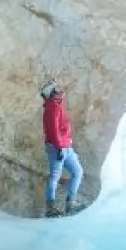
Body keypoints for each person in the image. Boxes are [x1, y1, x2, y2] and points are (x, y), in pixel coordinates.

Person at [40, 81, 85, 217]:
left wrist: (65, 143)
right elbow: (53, 130)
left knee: (78, 172)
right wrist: (60, 147)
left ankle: (70, 204)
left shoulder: (56, 105)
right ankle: (51, 208)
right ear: (52, 92)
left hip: (65, 147)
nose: (59, 90)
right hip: (57, 148)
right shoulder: (52, 107)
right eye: (56, 89)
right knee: (55, 177)